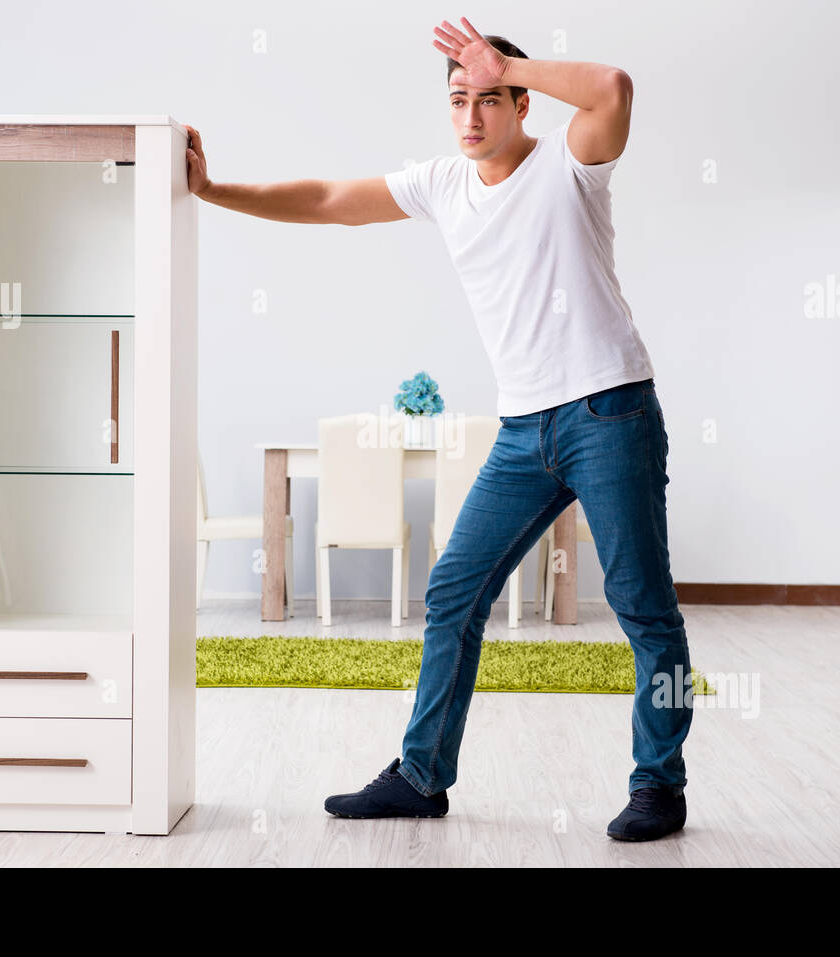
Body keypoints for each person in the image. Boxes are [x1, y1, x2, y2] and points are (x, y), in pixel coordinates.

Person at [183, 16, 693, 842]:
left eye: (490, 99)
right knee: (455, 589)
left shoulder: (571, 163)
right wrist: (214, 189)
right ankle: (422, 776)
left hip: (610, 410)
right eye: (459, 100)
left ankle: (659, 784)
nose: (471, 119)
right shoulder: (441, 185)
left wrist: (509, 60)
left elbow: (614, 90)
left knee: (643, 606)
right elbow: (326, 202)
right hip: (524, 426)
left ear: (523, 102)